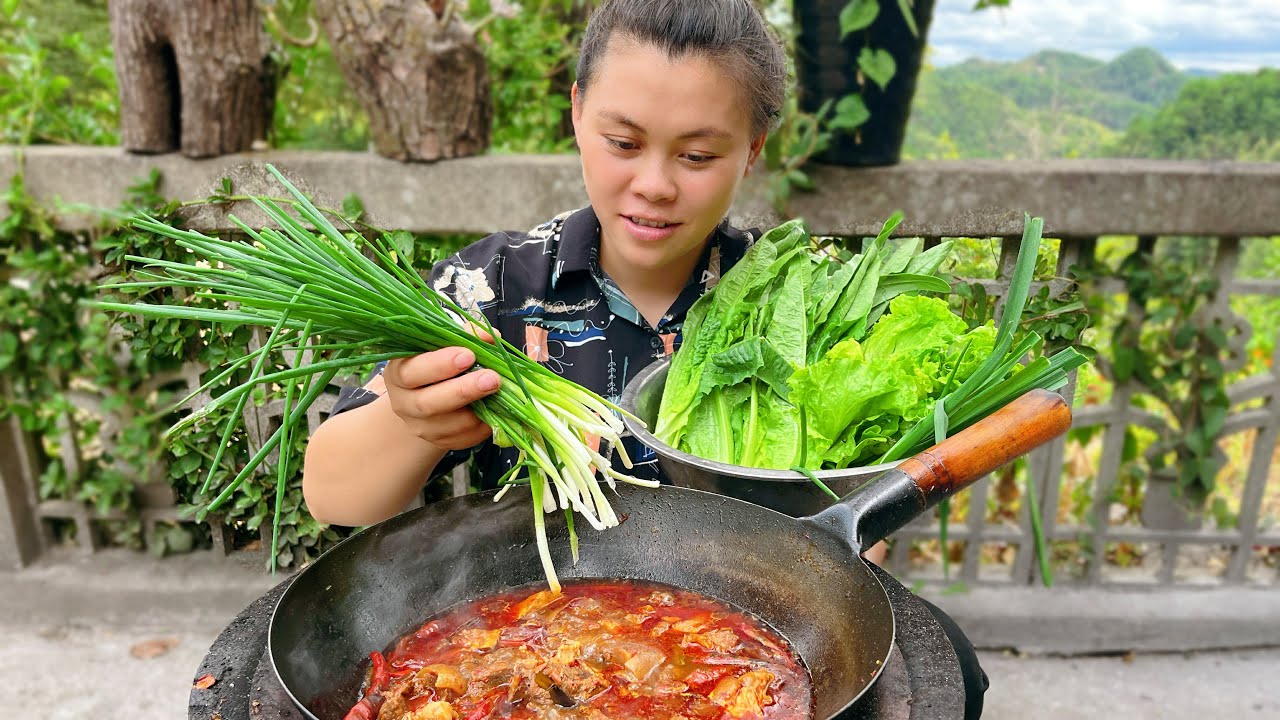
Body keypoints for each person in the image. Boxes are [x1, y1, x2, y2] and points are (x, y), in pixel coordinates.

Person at [301, 1, 987, 717]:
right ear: (577, 114)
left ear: (753, 148)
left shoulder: (798, 306)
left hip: (746, 630)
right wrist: (411, 419)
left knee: (945, 661)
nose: (655, 184)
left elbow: (843, 539)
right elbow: (335, 497)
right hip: (521, 631)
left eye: (696, 156)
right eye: (623, 143)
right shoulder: (492, 288)